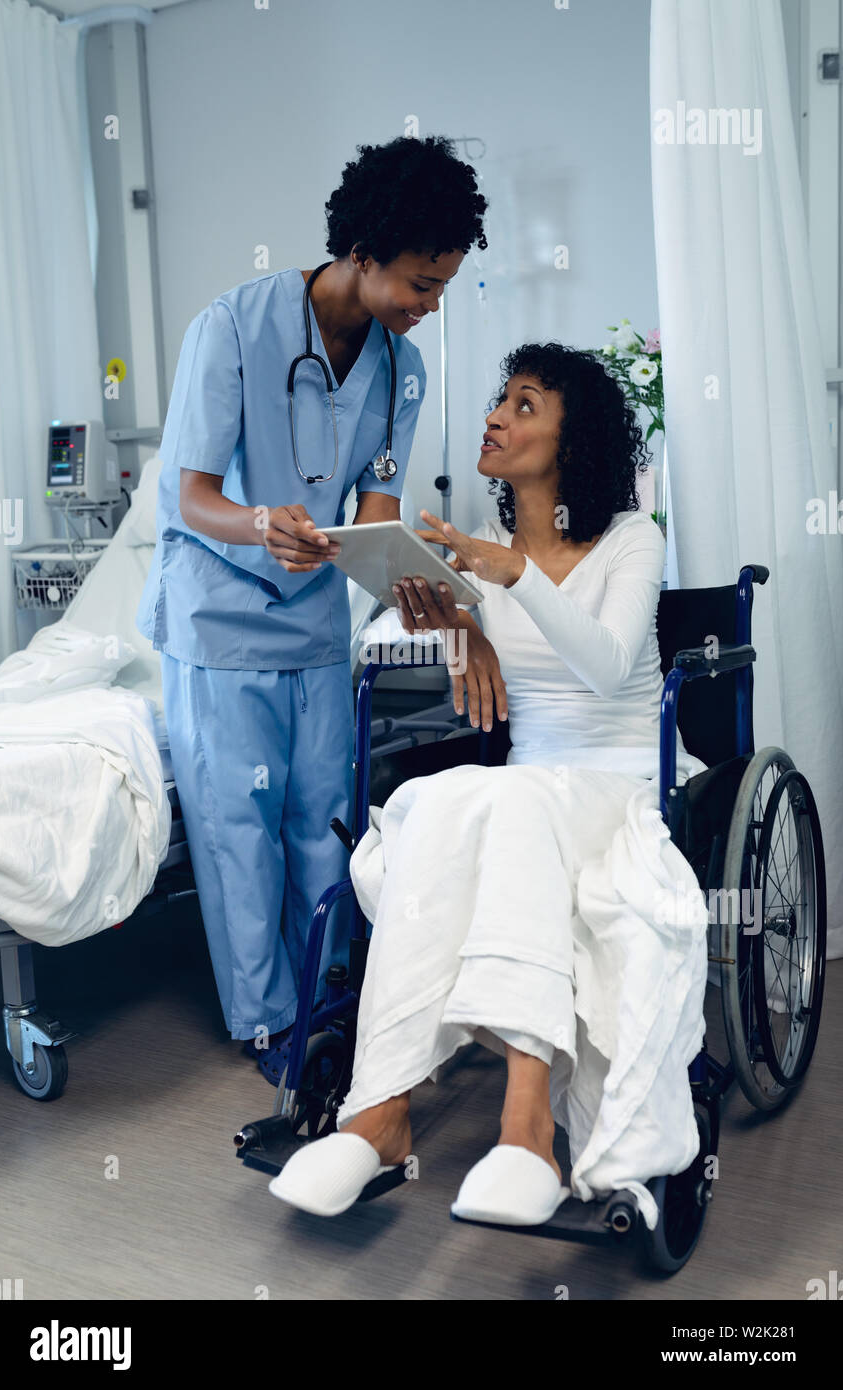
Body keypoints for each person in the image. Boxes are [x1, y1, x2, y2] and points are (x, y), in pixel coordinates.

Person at [267, 342, 707, 1223]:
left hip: (621, 783)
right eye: (498, 400)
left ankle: (526, 1126)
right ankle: (379, 1110)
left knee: (509, 795)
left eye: (525, 404)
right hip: (532, 788)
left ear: (572, 440)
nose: (496, 416)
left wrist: (513, 576)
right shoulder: (478, 552)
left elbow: (607, 667)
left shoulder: (631, 540)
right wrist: (446, 622)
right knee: (433, 798)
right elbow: (371, 649)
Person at [136, 136, 487, 1079]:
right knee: (239, 828)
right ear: (364, 254)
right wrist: (261, 523)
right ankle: (266, 1027)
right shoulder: (231, 328)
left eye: (444, 286)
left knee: (325, 815)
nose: (430, 305)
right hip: (218, 613)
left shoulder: (401, 373)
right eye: (421, 283)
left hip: (313, 623)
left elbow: (373, 513)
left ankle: (325, 1008)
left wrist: (404, 580)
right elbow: (189, 496)